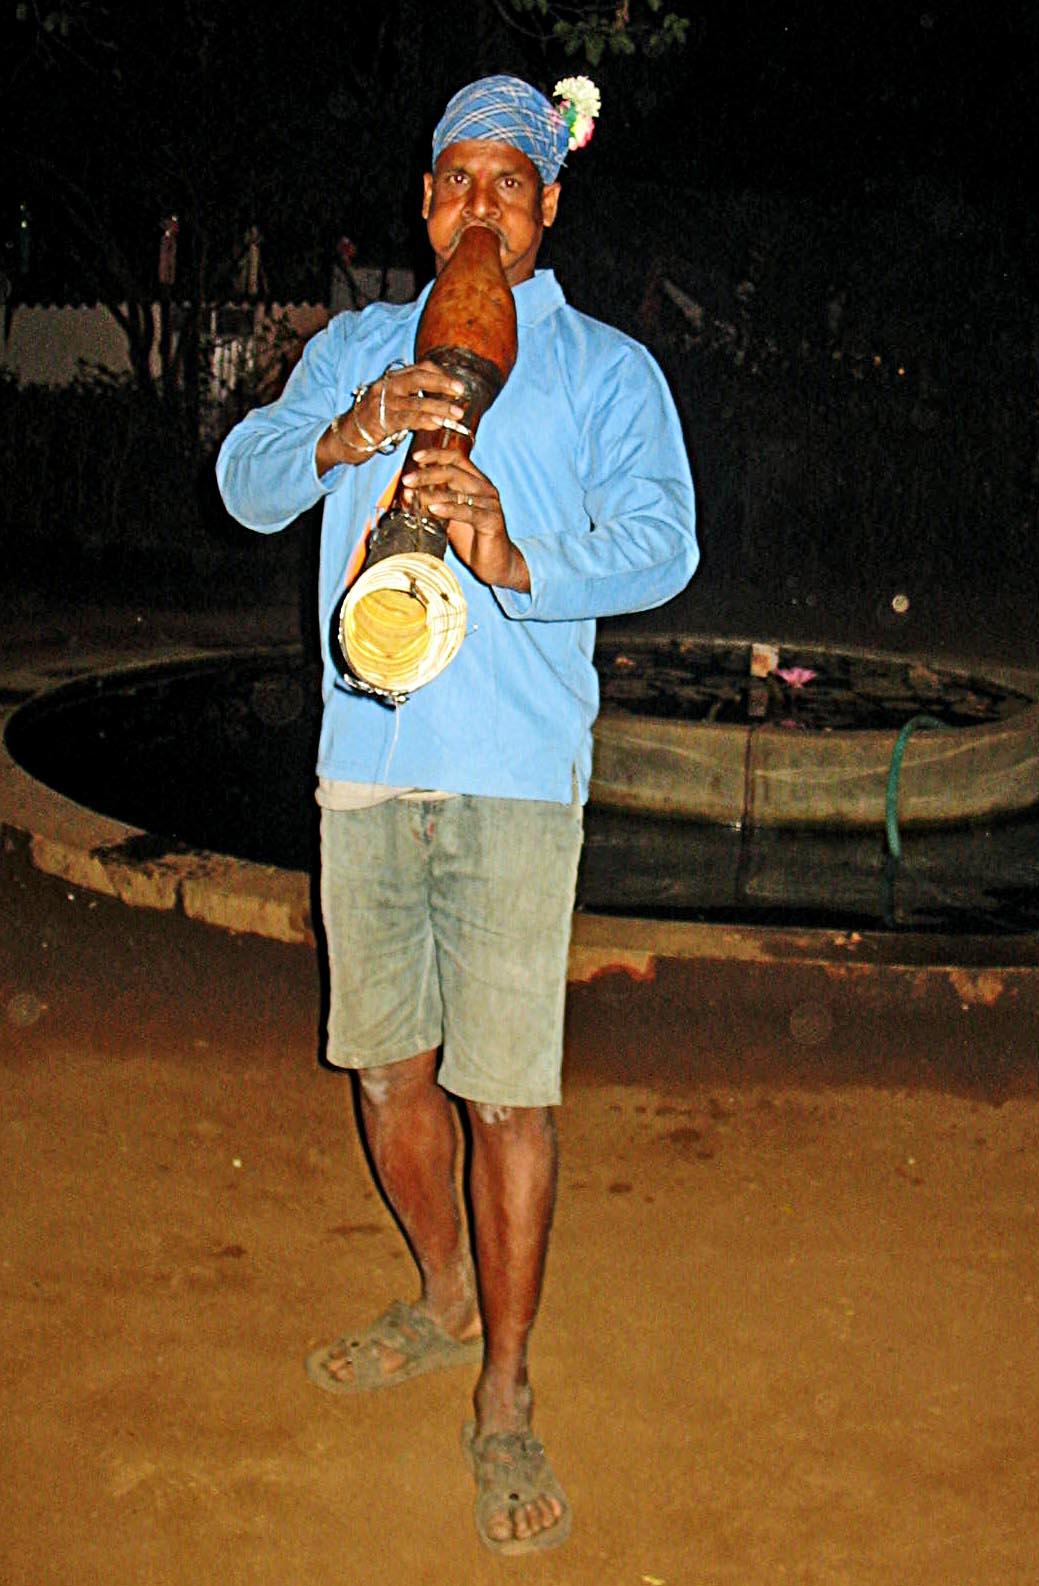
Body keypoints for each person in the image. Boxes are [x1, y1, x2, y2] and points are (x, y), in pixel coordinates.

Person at [217, 72, 698, 1557]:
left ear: (546, 210)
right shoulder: (359, 346)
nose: (479, 205)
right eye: (455, 181)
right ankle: (442, 1288)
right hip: (368, 760)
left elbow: (668, 546)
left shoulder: (610, 371)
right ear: (424, 205)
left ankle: (504, 1384)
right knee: (383, 1073)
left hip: (512, 776)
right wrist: (352, 429)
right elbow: (241, 487)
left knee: (509, 1096)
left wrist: (516, 548)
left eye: (510, 183)